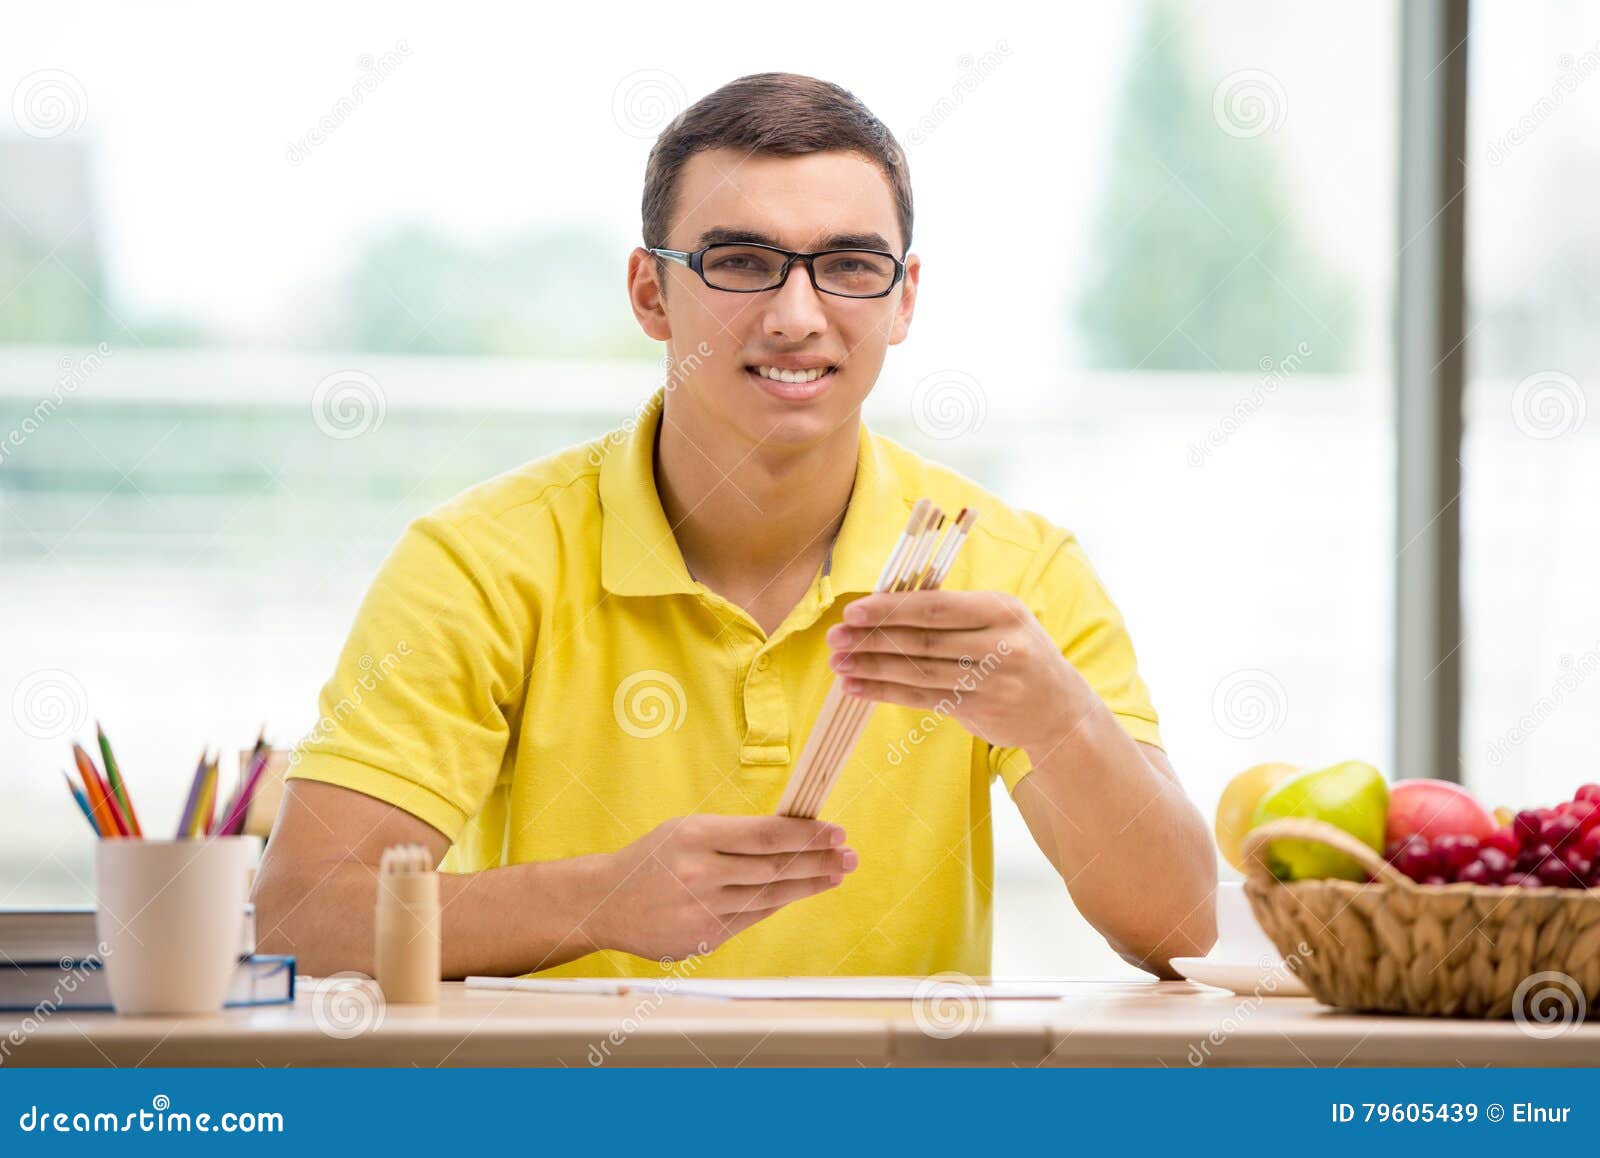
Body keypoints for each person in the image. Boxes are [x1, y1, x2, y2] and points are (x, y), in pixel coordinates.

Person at [253, 72, 1216, 981]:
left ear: (904, 299)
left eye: (849, 266)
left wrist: (1060, 720)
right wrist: (601, 899)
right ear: (650, 293)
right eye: (742, 262)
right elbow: (302, 917)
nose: (796, 316)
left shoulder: (1010, 567)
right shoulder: (480, 562)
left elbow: (1181, 935)